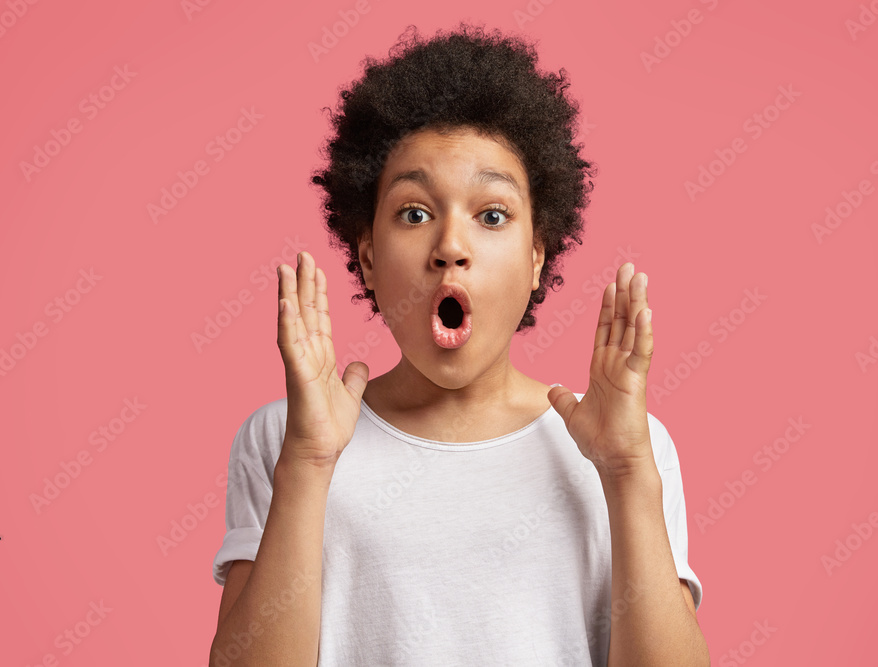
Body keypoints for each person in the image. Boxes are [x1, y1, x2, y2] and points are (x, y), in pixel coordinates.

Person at [209, 22, 708, 666]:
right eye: (414, 213)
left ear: (535, 259)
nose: (450, 246)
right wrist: (306, 464)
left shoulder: (628, 444)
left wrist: (627, 470)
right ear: (365, 257)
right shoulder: (284, 439)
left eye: (491, 214)